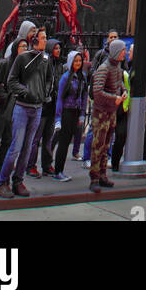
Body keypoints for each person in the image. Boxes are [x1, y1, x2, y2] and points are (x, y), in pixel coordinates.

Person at [0, 25, 53, 198]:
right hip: (22, 107)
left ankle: (18, 181)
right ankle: (3, 182)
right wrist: (26, 91)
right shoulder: (22, 58)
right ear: (35, 40)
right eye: (43, 38)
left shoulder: (46, 58)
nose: (45, 41)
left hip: (37, 108)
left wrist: (45, 93)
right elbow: (11, 81)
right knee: (15, 147)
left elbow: (50, 79)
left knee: (27, 148)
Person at [0, 35, 29, 185]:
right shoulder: (5, 63)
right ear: (15, 48)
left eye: (26, 47)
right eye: (22, 47)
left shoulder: (25, 66)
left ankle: (1, 173)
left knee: (8, 141)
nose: (25, 49)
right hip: (3, 107)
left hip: (16, 108)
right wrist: (7, 95)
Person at [89, 37, 126, 193]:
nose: (125, 53)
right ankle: (94, 178)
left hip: (111, 111)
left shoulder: (116, 67)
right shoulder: (104, 68)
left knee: (106, 145)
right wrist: (115, 98)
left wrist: (123, 90)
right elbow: (97, 92)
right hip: (101, 112)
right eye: (123, 50)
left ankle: (102, 175)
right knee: (98, 145)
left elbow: (118, 83)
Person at [28, 39, 65, 176]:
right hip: (42, 105)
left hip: (54, 106)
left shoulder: (60, 65)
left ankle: (47, 165)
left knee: (48, 138)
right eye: (55, 48)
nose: (58, 51)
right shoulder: (43, 63)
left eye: (59, 48)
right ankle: (31, 165)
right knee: (36, 138)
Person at [52, 49, 88, 180]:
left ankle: (59, 170)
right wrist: (58, 118)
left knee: (68, 142)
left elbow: (84, 96)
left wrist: (82, 114)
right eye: (75, 61)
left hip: (76, 112)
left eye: (80, 61)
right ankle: (58, 171)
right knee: (64, 142)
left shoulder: (83, 76)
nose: (78, 63)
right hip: (66, 112)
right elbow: (60, 98)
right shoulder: (65, 77)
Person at [111, 43, 133, 173]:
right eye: (123, 50)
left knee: (121, 135)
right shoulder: (107, 67)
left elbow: (128, 90)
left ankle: (115, 162)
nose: (124, 52)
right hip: (110, 107)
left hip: (121, 108)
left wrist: (125, 105)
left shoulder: (124, 70)